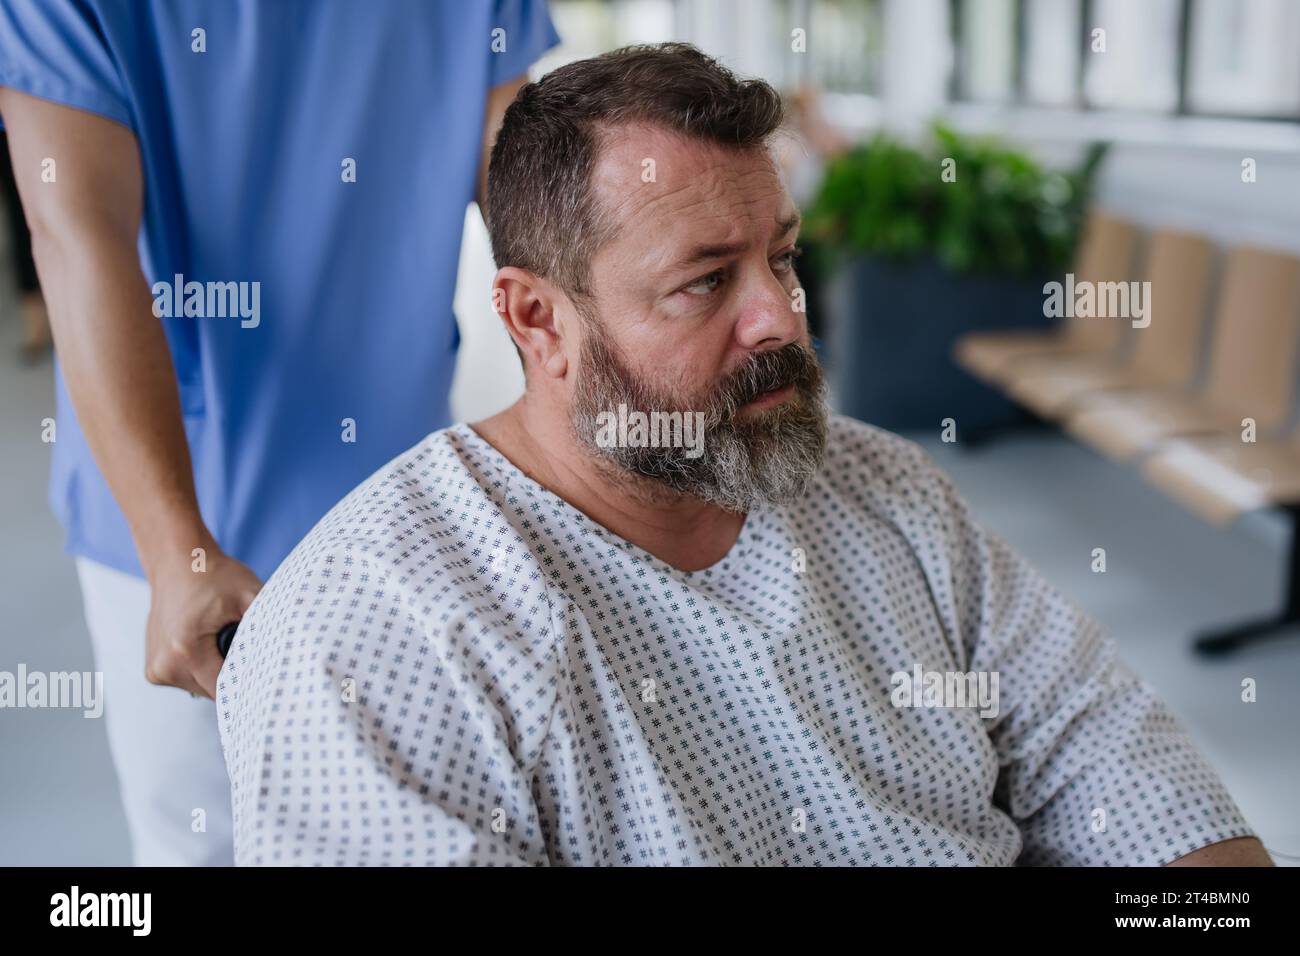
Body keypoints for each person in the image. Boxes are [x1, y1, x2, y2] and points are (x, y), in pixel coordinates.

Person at [215, 43, 1270, 867]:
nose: (782, 316)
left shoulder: (885, 490)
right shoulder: (372, 636)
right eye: (706, 279)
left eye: (782, 256)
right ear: (538, 321)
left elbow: (1126, 778)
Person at [0, 0, 559, 866]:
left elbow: (524, 196)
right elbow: (78, 238)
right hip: (191, 534)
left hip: (386, 516)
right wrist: (174, 548)